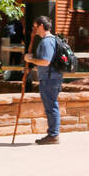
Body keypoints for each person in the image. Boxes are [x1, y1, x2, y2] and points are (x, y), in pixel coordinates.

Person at [22, 15, 63, 145]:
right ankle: (53, 134)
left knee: (51, 107)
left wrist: (30, 60)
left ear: (41, 26)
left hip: (49, 79)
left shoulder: (47, 41)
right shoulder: (52, 40)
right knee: (51, 106)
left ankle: (53, 135)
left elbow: (46, 61)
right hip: (52, 78)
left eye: (35, 27)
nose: (34, 30)